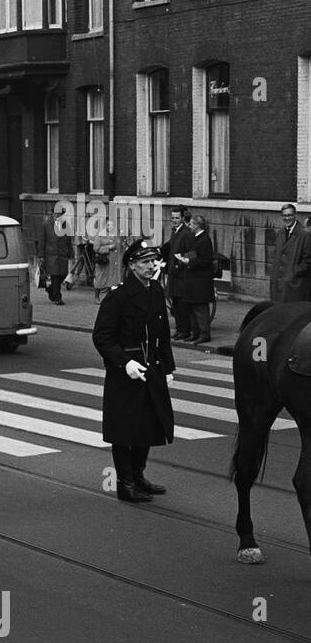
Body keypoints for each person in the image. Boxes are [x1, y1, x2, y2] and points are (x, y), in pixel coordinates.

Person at [93, 240, 175, 502]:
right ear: (131, 265)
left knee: (149, 425)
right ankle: (125, 483)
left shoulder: (156, 292)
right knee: (125, 429)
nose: (151, 266)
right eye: (144, 262)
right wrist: (124, 363)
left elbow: (162, 334)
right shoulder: (118, 296)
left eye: (153, 261)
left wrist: (168, 367)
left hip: (152, 368)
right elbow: (102, 337)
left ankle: (139, 475)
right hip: (127, 372)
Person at [173, 213, 215, 343]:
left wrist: (188, 262)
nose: (189, 226)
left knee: (200, 308)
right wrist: (184, 257)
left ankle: (204, 334)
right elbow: (194, 253)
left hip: (200, 281)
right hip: (193, 280)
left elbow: (206, 259)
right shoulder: (197, 238)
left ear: (197, 225)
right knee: (192, 307)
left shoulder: (204, 239)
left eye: (191, 224)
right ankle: (195, 333)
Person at [165, 206, 193, 339]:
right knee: (175, 304)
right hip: (173, 274)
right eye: (172, 218)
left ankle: (184, 330)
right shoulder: (175, 231)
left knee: (182, 305)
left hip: (181, 275)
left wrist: (179, 265)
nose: (174, 220)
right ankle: (179, 329)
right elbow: (170, 247)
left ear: (182, 218)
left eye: (177, 218)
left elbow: (192, 253)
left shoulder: (186, 233)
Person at [273, 204, 311, 302]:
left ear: (295, 215)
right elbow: (277, 255)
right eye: (284, 216)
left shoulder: (304, 234)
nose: (287, 218)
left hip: (295, 285)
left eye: (289, 215)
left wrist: (292, 273)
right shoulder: (280, 233)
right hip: (279, 283)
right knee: (279, 312)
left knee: (292, 313)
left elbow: (308, 261)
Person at [38, 210, 69, 305]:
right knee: (55, 276)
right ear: (52, 214)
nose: (57, 216)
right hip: (51, 255)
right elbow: (42, 241)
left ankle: (51, 289)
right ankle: (57, 298)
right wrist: (41, 255)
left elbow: (68, 239)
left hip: (62, 255)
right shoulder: (46, 225)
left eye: (59, 214)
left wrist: (69, 252)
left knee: (63, 274)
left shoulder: (65, 225)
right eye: (55, 214)